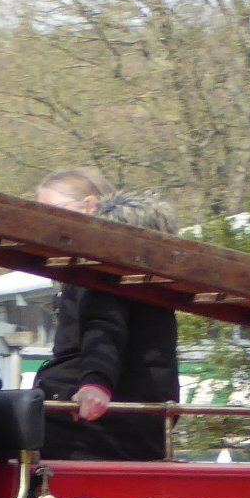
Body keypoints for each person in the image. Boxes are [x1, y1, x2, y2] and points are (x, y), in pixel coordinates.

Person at [32, 166, 181, 461]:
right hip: (127, 410)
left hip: (110, 418)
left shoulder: (105, 262)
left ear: (89, 206)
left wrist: (94, 383)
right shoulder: (133, 260)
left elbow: (105, 324)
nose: (42, 225)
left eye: (52, 211)